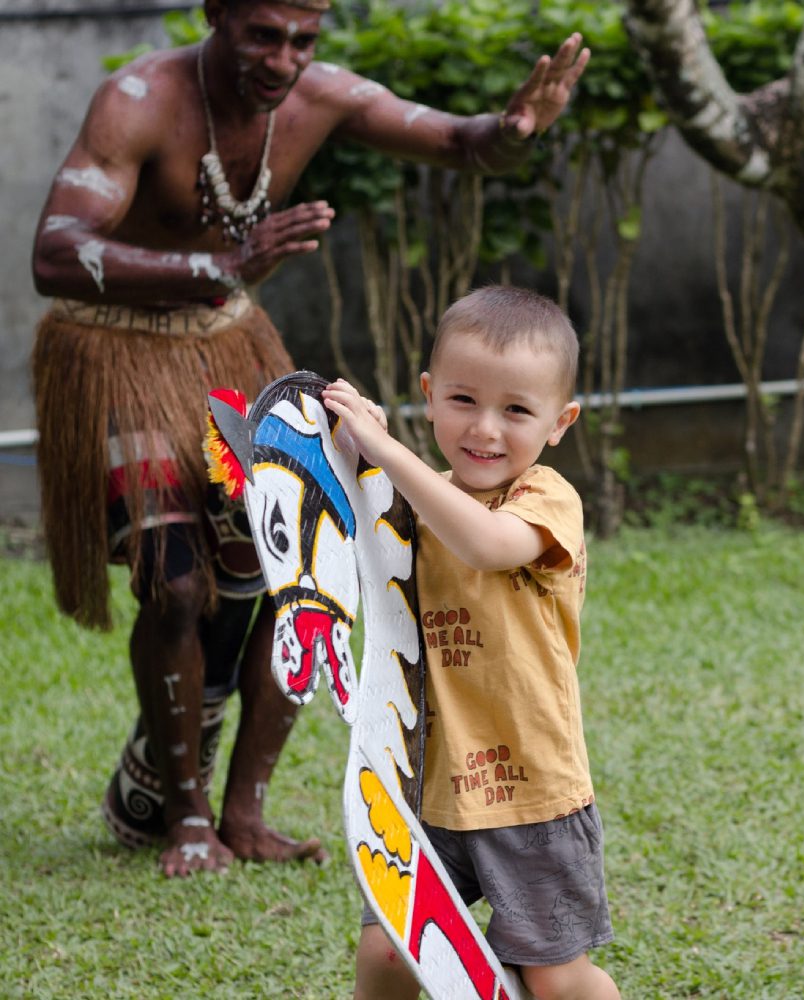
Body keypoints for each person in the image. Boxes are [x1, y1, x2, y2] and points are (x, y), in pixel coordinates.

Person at [28, 0, 589, 877]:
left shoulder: (321, 94)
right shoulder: (136, 100)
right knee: (175, 582)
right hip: (115, 351)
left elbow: (460, 141)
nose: (285, 58)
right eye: (263, 34)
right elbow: (55, 252)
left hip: (230, 346)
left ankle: (244, 809)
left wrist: (515, 128)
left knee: (298, 567)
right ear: (217, 14)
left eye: (303, 39)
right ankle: (183, 817)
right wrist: (222, 266)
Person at [322, 286, 618, 1000]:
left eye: (516, 410)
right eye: (462, 399)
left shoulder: (547, 500)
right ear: (428, 394)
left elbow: (484, 543)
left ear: (560, 422)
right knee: (389, 956)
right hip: (425, 786)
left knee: (550, 979)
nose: (485, 428)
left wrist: (386, 448)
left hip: (530, 792)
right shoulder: (413, 500)